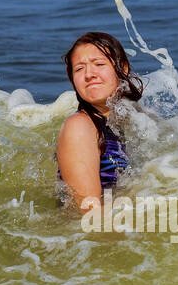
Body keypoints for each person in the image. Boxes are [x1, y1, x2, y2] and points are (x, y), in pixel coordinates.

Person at [55, 31, 143, 211]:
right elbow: (89, 212)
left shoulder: (133, 117)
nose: (89, 74)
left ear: (123, 68)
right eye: (79, 69)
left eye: (99, 64)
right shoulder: (79, 127)